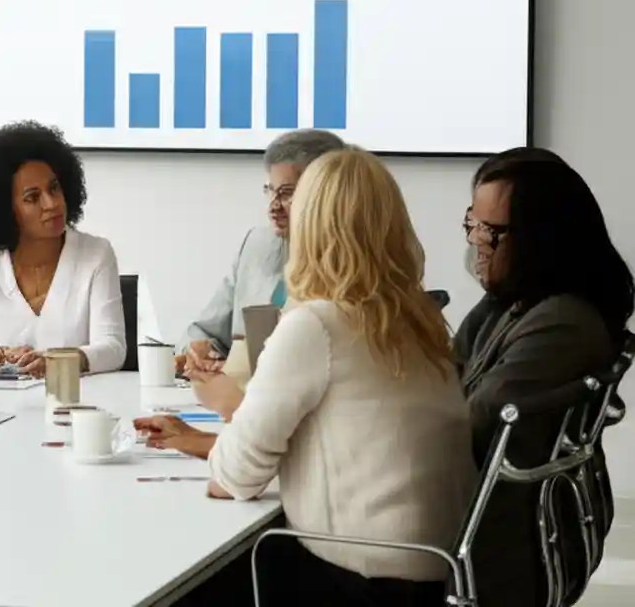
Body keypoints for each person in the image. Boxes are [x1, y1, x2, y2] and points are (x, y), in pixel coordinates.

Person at [138, 148, 474, 605]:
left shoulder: (317, 325)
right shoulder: (418, 320)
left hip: (359, 579)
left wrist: (226, 443)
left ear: (311, 227)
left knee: (183, 584)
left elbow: (236, 476)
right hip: (434, 572)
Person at [455, 148, 633, 607]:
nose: (476, 241)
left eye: (491, 231)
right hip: (485, 522)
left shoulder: (563, 322)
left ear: (540, 239)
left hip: (484, 545)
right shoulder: (513, 302)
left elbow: (471, 422)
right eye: (472, 223)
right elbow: (446, 369)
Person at [0, 121, 125, 376]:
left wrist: (58, 361)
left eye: (54, 188)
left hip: (72, 403)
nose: (52, 203)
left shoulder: (96, 254)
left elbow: (113, 348)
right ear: (4, 210)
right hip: (1, 406)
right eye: (32, 198)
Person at [178, 130, 344, 376]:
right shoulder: (257, 244)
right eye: (270, 190)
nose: (273, 207)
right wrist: (199, 352)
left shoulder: (353, 259)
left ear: (323, 192)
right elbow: (204, 331)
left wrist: (239, 373)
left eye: (287, 193)